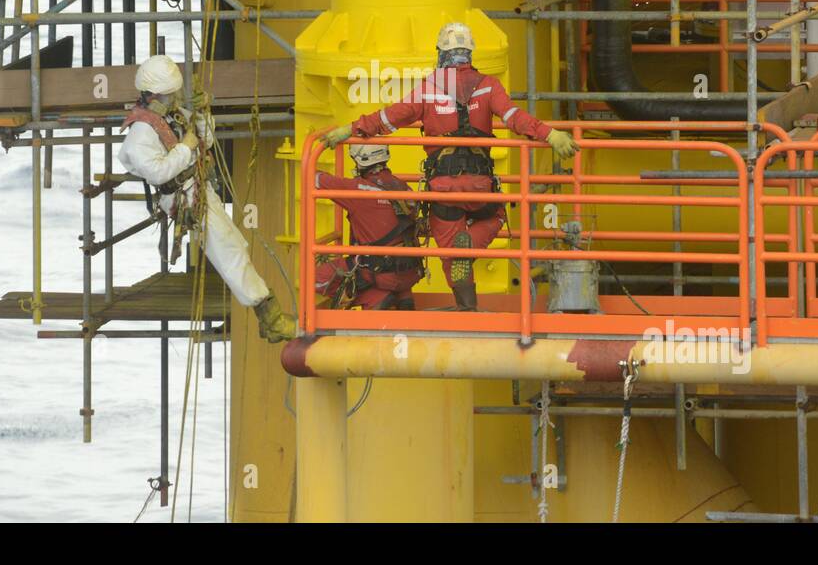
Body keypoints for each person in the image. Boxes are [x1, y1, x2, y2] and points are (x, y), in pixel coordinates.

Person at [319, 23, 578, 311]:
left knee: (451, 253)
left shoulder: (428, 89)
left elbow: (389, 118)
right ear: (469, 53)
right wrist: (549, 134)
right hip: (480, 185)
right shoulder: (489, 85)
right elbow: (513, 117)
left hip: (442, 188)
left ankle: (467, 306)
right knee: (496, 218)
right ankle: (471, 247)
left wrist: (349, 129)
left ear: (441, 53)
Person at [119, 54, 297, 343]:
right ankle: (272, 319)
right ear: (155, 94)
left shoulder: (168, 117)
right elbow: (158, 172)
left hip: (198, 189)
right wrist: (186, 148)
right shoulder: (140, 134)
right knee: (229, 252)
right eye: (171, 93)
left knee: (236, 245)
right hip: (186, 198)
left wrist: (202, 115)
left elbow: (208, 139)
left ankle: (269, 317)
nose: (176, 97)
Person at [313, 142, 423, 311]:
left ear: (360, 162)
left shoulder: (358, 189)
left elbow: (316, 179)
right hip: (410, 272)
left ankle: (376, 298)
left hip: (379, 273)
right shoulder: (404, 187)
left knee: (312, 277)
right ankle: (403, 297)